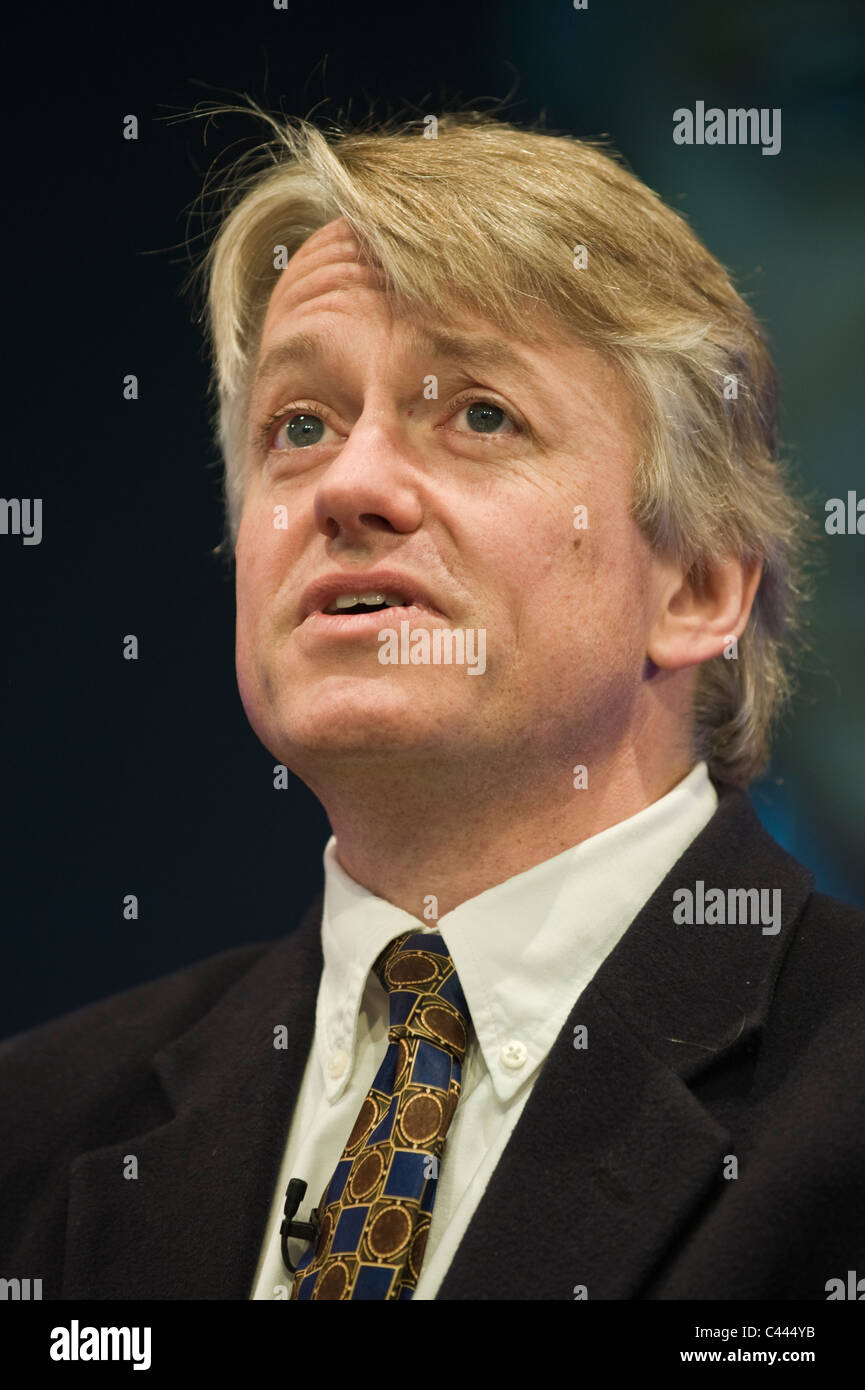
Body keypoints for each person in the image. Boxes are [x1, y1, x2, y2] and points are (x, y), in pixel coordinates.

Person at [2, 109, 863, 1302]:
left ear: (697, 584)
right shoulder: (31, 1128)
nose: (348, 483)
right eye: (299, 426)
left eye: (477, 413)